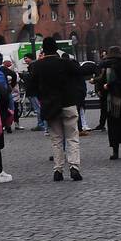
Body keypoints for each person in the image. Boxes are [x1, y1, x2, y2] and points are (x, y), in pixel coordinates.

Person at [23, 36, 84, 181]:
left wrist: (42, 95)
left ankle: (58, 170)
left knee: (56, 140)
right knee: (72, 137)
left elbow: (30, 88)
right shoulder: (65, 63)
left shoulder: (38, 66)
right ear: (56, 48)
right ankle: (74, 167)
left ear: (43, 49)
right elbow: (79, 72)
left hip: (50, 105)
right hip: (68, 103)